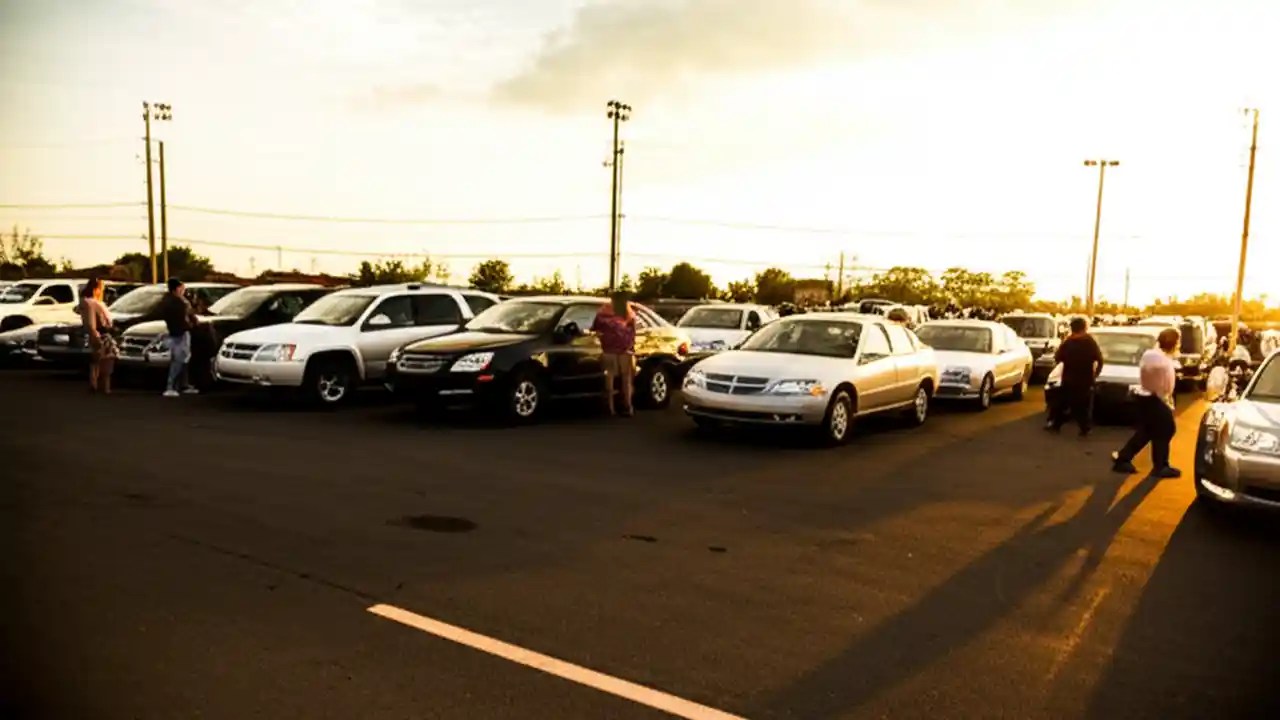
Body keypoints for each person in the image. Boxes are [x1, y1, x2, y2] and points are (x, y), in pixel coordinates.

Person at [1111, 328, 1182, 478]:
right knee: (1166, 428)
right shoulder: (1163, 361)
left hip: (1144, 395)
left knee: (1149, 431)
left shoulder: (1151, 354)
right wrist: (1166, 401)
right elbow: (1165, 387)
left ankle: (1124, 458)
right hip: (1154, 397)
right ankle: (1160, 466)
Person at [1047, 316, 1103, 436]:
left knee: (1063, 403)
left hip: (1069, 378)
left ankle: (1058, 425)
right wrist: (1095, 374)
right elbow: (1099, 359)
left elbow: (1058, 358)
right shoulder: (1089, 341)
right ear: (1084, 328)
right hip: (1085, 379)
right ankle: (1084, 428)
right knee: (1081, 405)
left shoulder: (1069, 342)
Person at [591, 291, 637, 417]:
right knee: (626, 379)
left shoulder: (603, 312)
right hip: (625, 350)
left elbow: (595, 328)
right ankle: (628, 406)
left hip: (608, 349)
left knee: (609, 377)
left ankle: (609, 407)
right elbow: (633, 331)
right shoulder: (628, 312)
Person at [159, 277, 199, 398]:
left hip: (174, 332)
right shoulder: (180, 302)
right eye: (182, 288)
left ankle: (183, 385)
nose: (183, 291)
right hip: (181, 333)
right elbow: (188, 317)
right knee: (179, 360)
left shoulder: (165, 301)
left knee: (181, 359)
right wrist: (192, 325)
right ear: (177, 289)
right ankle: (171, 386)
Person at [79, 277, 116, 394]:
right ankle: (103, 387)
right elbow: (90, 323)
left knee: (97, 362)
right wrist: (96, 337)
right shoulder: (90, 303)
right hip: (101, 334)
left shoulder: (91, 302)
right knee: (105, 362)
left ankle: (96, 384)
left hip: (101, 334)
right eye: (101, 289)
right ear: (96, 289)